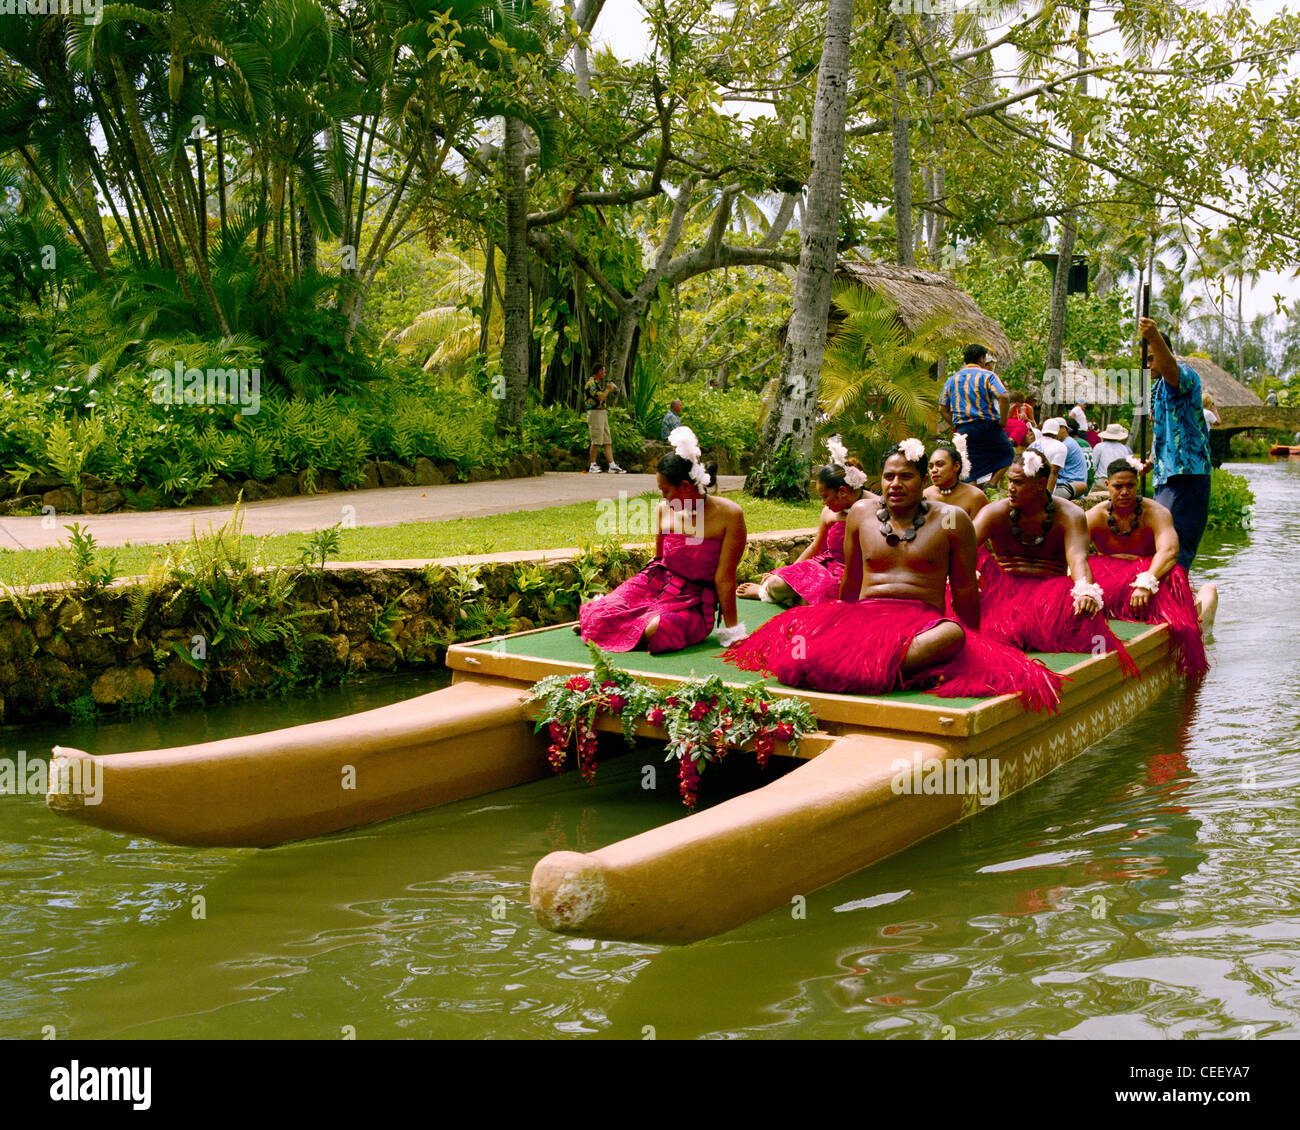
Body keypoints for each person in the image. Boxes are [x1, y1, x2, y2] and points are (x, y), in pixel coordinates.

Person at [723, 440, 1065, 711]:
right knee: (799, 636)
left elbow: (963, 588)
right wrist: (835, 620)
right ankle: (886, 668)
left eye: (906, 477)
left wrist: (976, 645)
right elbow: (851, 581)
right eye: (889, 477)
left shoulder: (950, 519)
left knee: (952, 637)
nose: (896, 484)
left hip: (920, 624)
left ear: (921, 481)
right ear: (879, 479)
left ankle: (868, 665)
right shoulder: (860, 512)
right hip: (866, 616)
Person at [578, 428, 745, 653]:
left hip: (694, 602)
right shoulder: (663, 510)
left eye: (665, 491)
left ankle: (626, 627)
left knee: (658, 629)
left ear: (685, 487)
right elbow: (658, 560)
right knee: (600, 612)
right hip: (658, 585)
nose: (662, 499)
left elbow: (724, 578)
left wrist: (733, 631)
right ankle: (612, 622)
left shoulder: (730, 515)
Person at [971, 451, 1138, 673]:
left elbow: (1078, 558)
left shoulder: (1069, 514)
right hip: (1003, 592)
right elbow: (962, 550)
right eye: (1010, 481)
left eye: (1018, 482)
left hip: (1050, 595)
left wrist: (1085, 591)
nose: (1010, 487)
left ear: (1041, 483)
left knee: (1089, 626)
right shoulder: (994, 512)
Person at [1086, 459, 1211, 678]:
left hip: (1149, 573)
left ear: (1137, 484)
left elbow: (1169, 551)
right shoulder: (1094, 516)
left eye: (1130, 486)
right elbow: (1074, 554)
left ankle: (1169, 633)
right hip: (1108, 576)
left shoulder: (1156, 513)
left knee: (1175, 580)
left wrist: (1146, 582)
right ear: (1107, 485)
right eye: (1118, 486)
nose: (1125, 492)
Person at [737, 437, 869, 606]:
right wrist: (786, 572)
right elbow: (816, 547)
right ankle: (770, 593)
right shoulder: (829, 513)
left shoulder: (874, 508)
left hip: (853, 574)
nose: (823, 503)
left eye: (825, 496)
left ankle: (792, 599)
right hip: (825, 565)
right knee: (777, 583)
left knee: (810, 601)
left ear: (842, 491)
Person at [1135, 318, 1212, 571]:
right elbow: (1162, 433)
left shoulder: (1185, 375)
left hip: (1189, 475)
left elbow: (1170, 370)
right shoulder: (1156, 390)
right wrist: (1150, 460)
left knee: (1179, 547)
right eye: (1144, 360)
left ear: (1163, 352)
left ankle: (1179, 599)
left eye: (1151, 358)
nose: (1148, 365)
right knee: (1160, 542)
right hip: (1165, 477)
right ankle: (1164, 595)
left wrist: (1154, 336)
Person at [939, 344, 1014, 487]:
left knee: (970, 468)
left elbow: (942, 409)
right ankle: (991, 484)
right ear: (981, 358)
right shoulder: (987, 375)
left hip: (964, 429)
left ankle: (972, 501)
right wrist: (1003, 421)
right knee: (1007, 453)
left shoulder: (952, 379)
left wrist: (956, 425)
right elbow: (1004, 397)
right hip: (987, 425)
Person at [925, 439, 988, 520]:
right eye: (930, 466)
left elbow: (980, 531)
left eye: (940, 464)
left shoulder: (975, 497)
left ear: (956, 466)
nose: (933, 470)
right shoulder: (925, 496)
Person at [1033, 417, 1089, 499]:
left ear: (1063, 429)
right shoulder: (1067, 442)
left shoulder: (1066, 445)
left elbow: (1052, 471)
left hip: (1069, 483)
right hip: (1067, 482)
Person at [584, 365, 625, 474]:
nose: (605, 373)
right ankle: (592, 465)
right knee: (596, 439)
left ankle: (612, 465)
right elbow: (600, 398)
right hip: (595, 413)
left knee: (607, 439)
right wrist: (608, 389)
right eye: (604, 371)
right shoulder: (591, 384)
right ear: (599, 372)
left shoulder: (597, 384)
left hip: (602, 413)